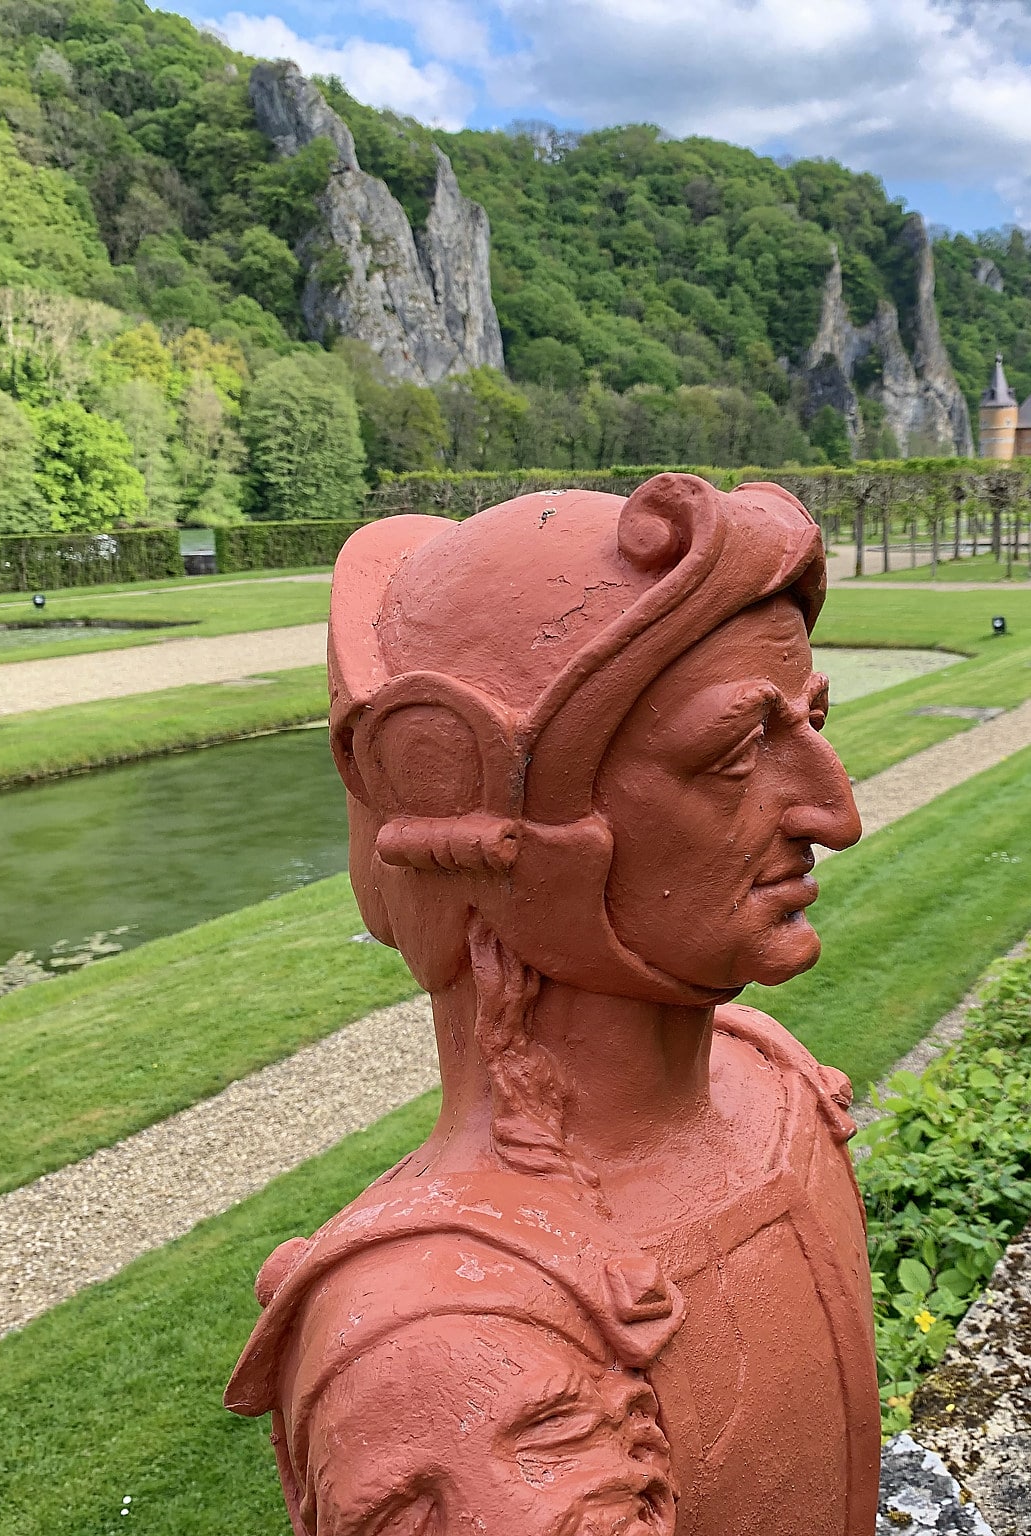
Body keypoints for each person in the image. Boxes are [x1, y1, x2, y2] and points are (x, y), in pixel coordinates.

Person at [227, 473, 878, 1536]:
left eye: (811, 721)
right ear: (499, 832)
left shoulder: (776, 1082)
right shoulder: (446, 1342)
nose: (833, 813)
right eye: (732, 754)